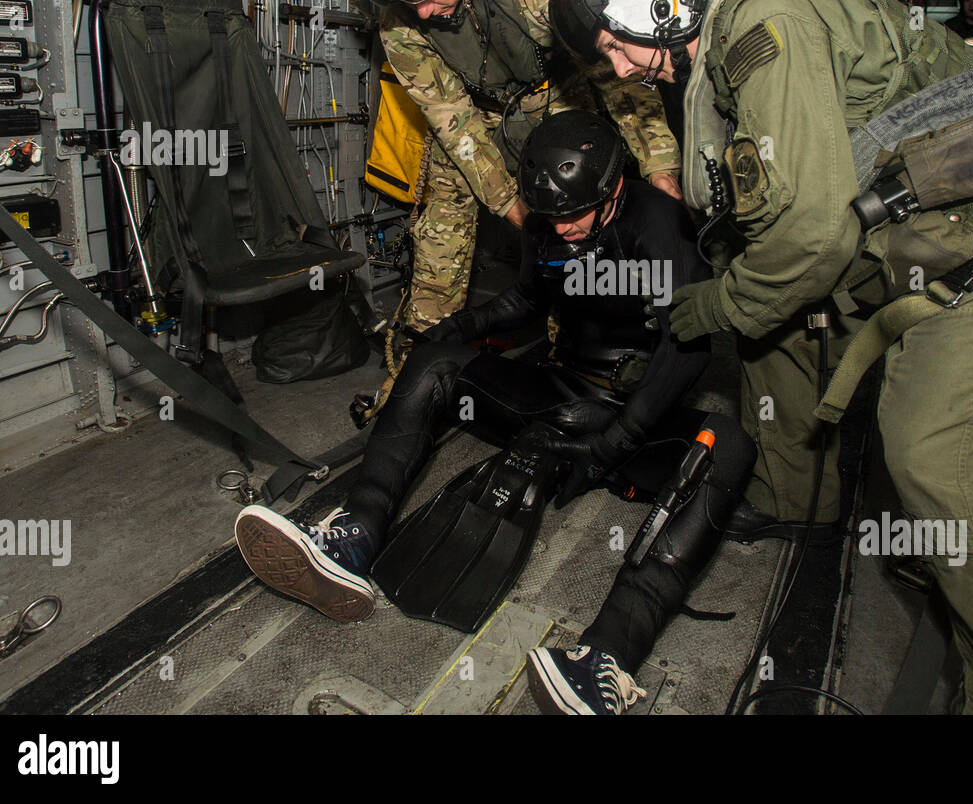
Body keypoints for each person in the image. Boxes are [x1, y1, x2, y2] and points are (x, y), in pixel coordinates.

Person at [549, 0, 973, 713]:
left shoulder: (765, 31)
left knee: (937, 457)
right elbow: (776, 208)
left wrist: (714, 306)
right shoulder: (724, 45)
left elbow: (810, 237)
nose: (620, 66)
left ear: (659, 0)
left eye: (613, 42)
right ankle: (792, 497)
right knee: (774, 329)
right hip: (927, 219)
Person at [235, 110, 753, 715]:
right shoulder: (549, 223)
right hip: (560, 395)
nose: (564, 230)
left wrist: (622, 437)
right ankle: (353, 536)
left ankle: (605, 659)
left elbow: (687, 349)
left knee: (729, 444)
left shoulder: (659, 225)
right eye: (552, 219)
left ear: (612, 189)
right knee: (434, 363)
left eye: (576, 215)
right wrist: (464, 325)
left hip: (635, 414)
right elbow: (530, 297)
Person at [343, 0, 681, 337]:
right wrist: (510, 206)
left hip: (554, 93)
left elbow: (614, 64)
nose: (420, 12)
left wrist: (660, 162)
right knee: (439, 249)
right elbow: (452, 121)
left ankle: (574, 360)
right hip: (472, 113)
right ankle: (417, 375)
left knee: (571, 236)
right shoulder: (400, 22)